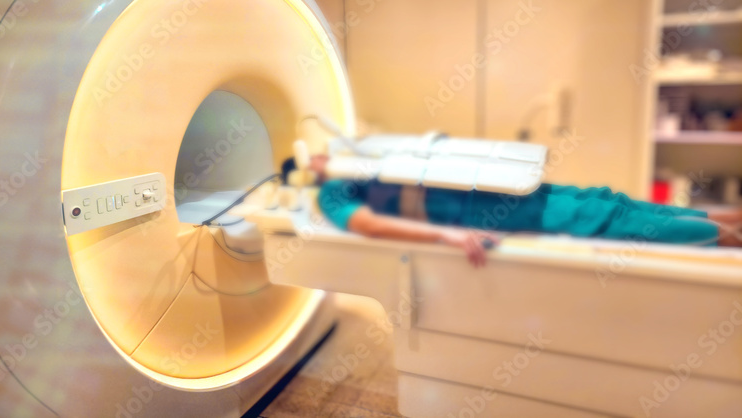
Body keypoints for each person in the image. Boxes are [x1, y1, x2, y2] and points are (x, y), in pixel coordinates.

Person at [281, 154, 742, 268]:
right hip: (480, 210)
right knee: (609, 219)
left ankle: (727, 223)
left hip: (498, 183)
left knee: (609, 200)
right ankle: (728, 240)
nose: (321, 160)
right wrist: (448, 237)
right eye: (312, 163)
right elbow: (371, 225)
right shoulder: (332, 195)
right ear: (307, 175)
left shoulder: (358, 156)